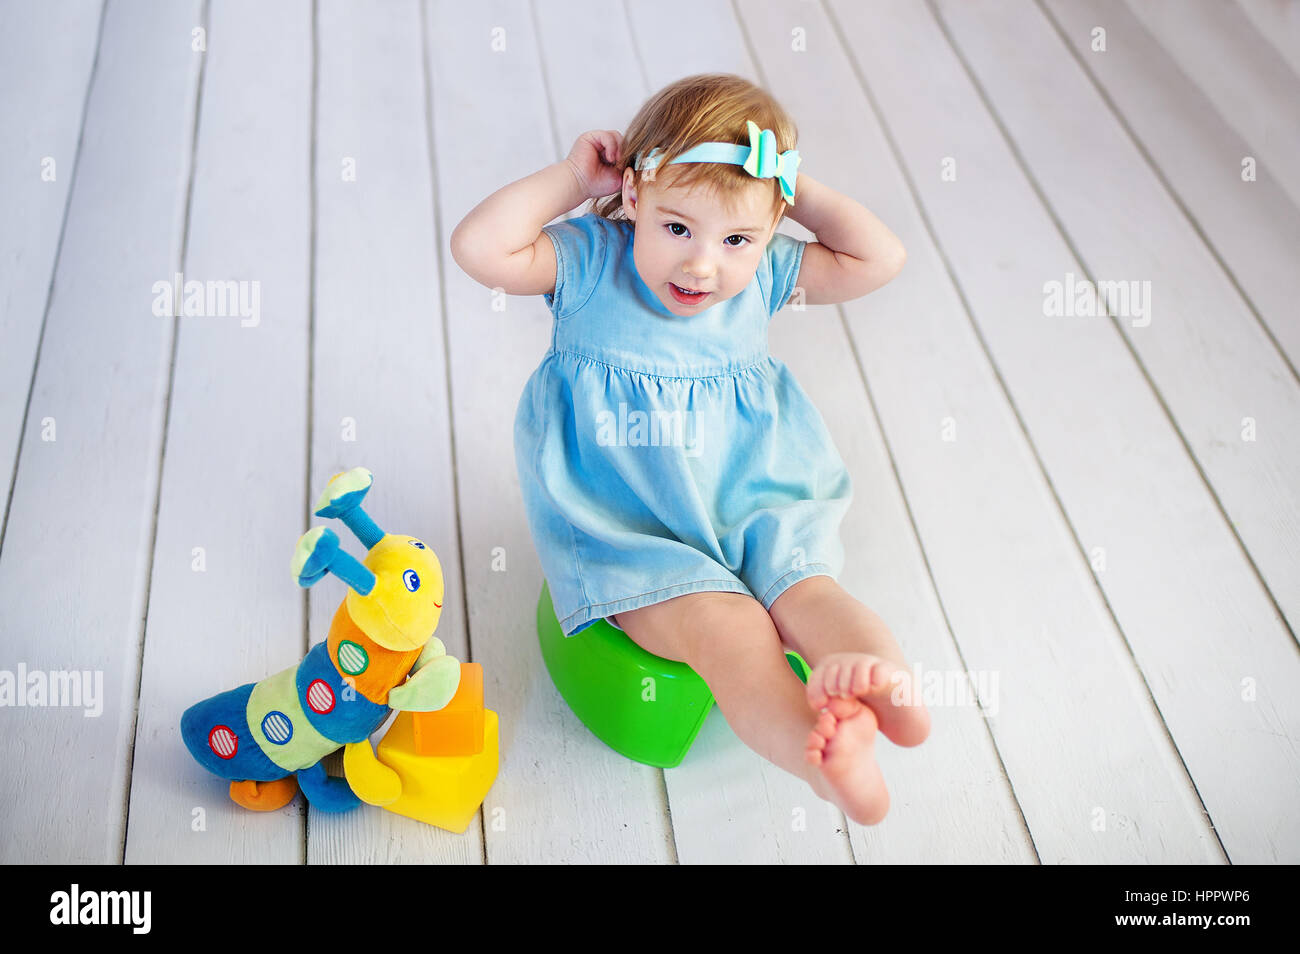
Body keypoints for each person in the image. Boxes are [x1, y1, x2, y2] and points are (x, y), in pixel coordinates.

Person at [451, 73, 929, 825]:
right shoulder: (586, 263)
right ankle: (826, 758)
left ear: (770, 231)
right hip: (633, 526)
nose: (703, 266)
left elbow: (881, 258)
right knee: (731, 632)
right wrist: (575, 179)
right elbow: (479, 246)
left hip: (752, 496)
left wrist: (787, 190)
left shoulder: (762, 275)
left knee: (814, 595)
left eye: (736, 238)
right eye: (678, 228)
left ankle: (884, 688)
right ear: (635, 198)